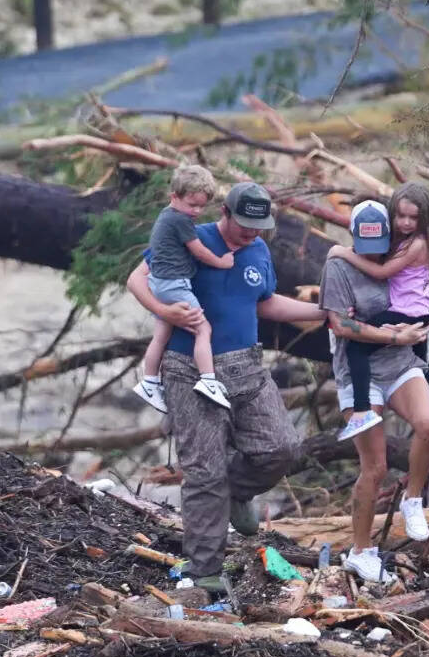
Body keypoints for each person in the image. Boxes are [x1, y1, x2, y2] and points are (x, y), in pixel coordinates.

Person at [125, 181, 327, 592]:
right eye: (244, 224)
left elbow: (264, 302)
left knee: (281, 446)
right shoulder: (189, 236)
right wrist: (166, 311)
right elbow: (136, 280)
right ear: (225, 213)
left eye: (259, 226)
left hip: (247, 367)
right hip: (189, 370)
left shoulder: (258, 249)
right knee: (203, 472)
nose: (251, 232)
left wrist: (320, 310)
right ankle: (205, 572)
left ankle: (235, 492)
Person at [319, 190, 429, 584]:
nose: (374, 251)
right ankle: (361, 551)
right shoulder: (338, 267)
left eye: (379, 243)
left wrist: (425, 323)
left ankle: (414, 499)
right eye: (365, 245)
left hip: (399, 362)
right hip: (360, 372)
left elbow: (423, 291)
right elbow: (340, 326)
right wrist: (390, 335)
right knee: (374, 467)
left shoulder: (400, 247)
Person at [326, 186, 429, 443]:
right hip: (420, 312)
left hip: (409, 313)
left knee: (356, 348)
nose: (405, 223)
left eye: (413, 218)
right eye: (400, 216)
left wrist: (343, 252)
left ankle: (362, 411)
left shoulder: (416, 244)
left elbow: (382, 273)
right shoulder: (406, 241)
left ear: (424, 218)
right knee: (422, 364)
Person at [132, 164, 234, 413]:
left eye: (201, 206)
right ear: (174, 196)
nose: (197, 211)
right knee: (203, 328)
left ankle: (149, 381)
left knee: (161, 335)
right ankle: (208, 380)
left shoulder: (168, 215)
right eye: (192, 205)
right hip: (173, 284)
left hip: (159, 283)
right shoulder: (181, 221)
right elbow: (198, 251)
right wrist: (222, 262)